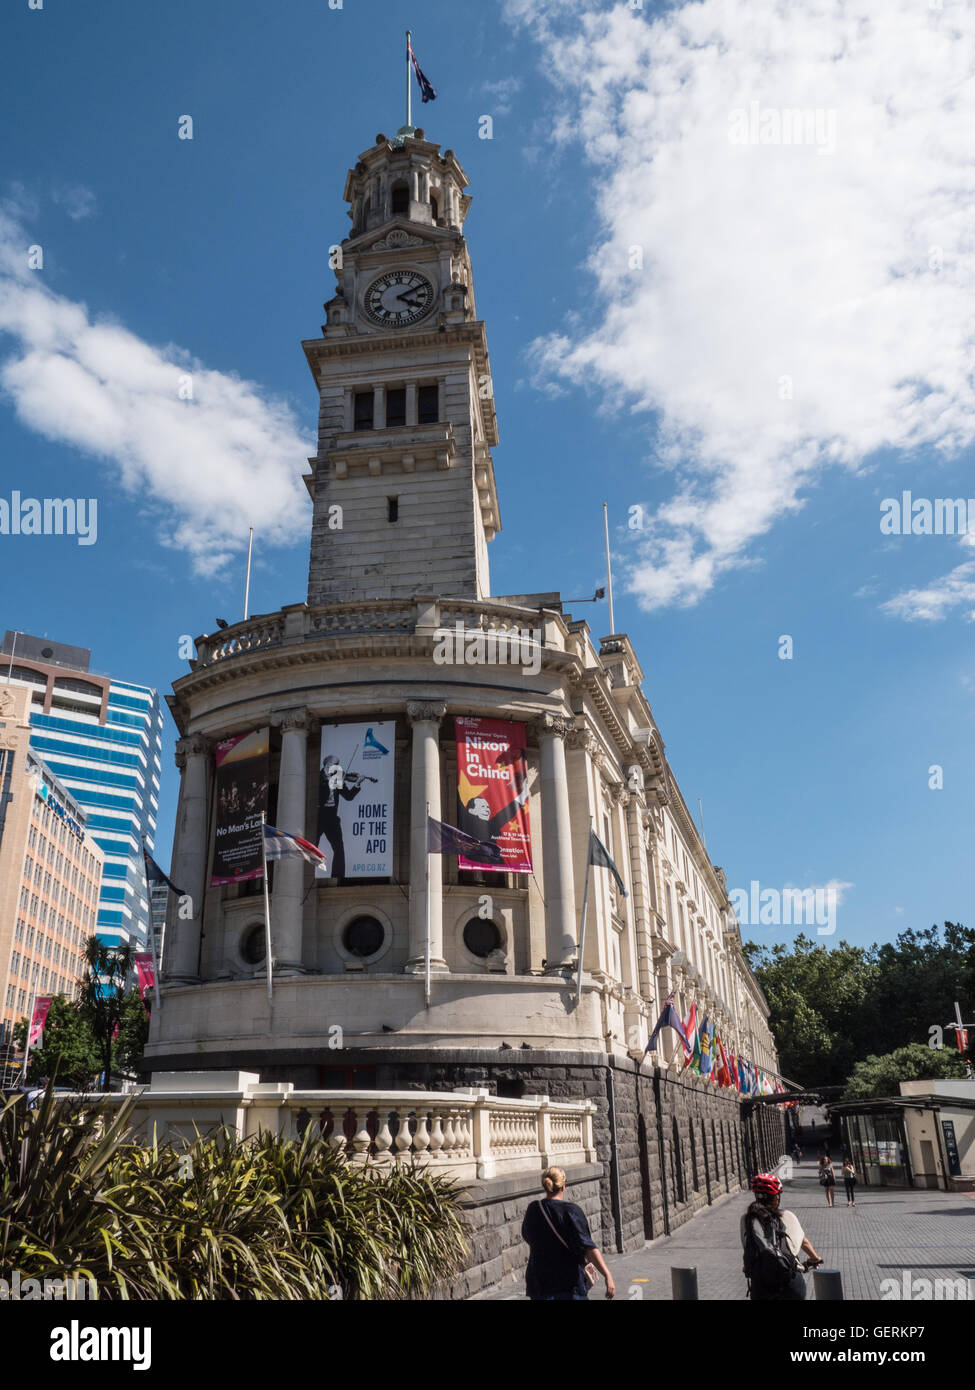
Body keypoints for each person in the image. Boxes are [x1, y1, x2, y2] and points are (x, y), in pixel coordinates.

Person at [522, 1166, 615, 1301]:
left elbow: (527, 1236)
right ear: (563, 1186)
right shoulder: (571, 1211)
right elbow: (588, 1248)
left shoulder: (534, 1209)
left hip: (539, 1284)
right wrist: (607, 1275)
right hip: (569, 1285)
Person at [741, 1173, 822, 1301]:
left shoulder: (746, 1219)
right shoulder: (787, 1216)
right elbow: (804, 1242)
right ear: (776, 1198)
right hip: (789, 1283)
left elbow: (747, 1246)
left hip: (761, 1285)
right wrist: (815, 1258)